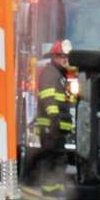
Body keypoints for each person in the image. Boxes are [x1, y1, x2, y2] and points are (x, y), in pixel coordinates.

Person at [30, 39, 75, 192]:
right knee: (53, 155)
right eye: (61, 56)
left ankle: (54, 184)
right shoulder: (50, 74)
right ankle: (50, 185)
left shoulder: (60, 74)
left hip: (56, 125)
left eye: (67, 57)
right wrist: (54, 119)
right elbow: (49, 97)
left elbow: (65, 99)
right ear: (54, 57)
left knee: (57, 155)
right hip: (51, 124)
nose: (65, 59)